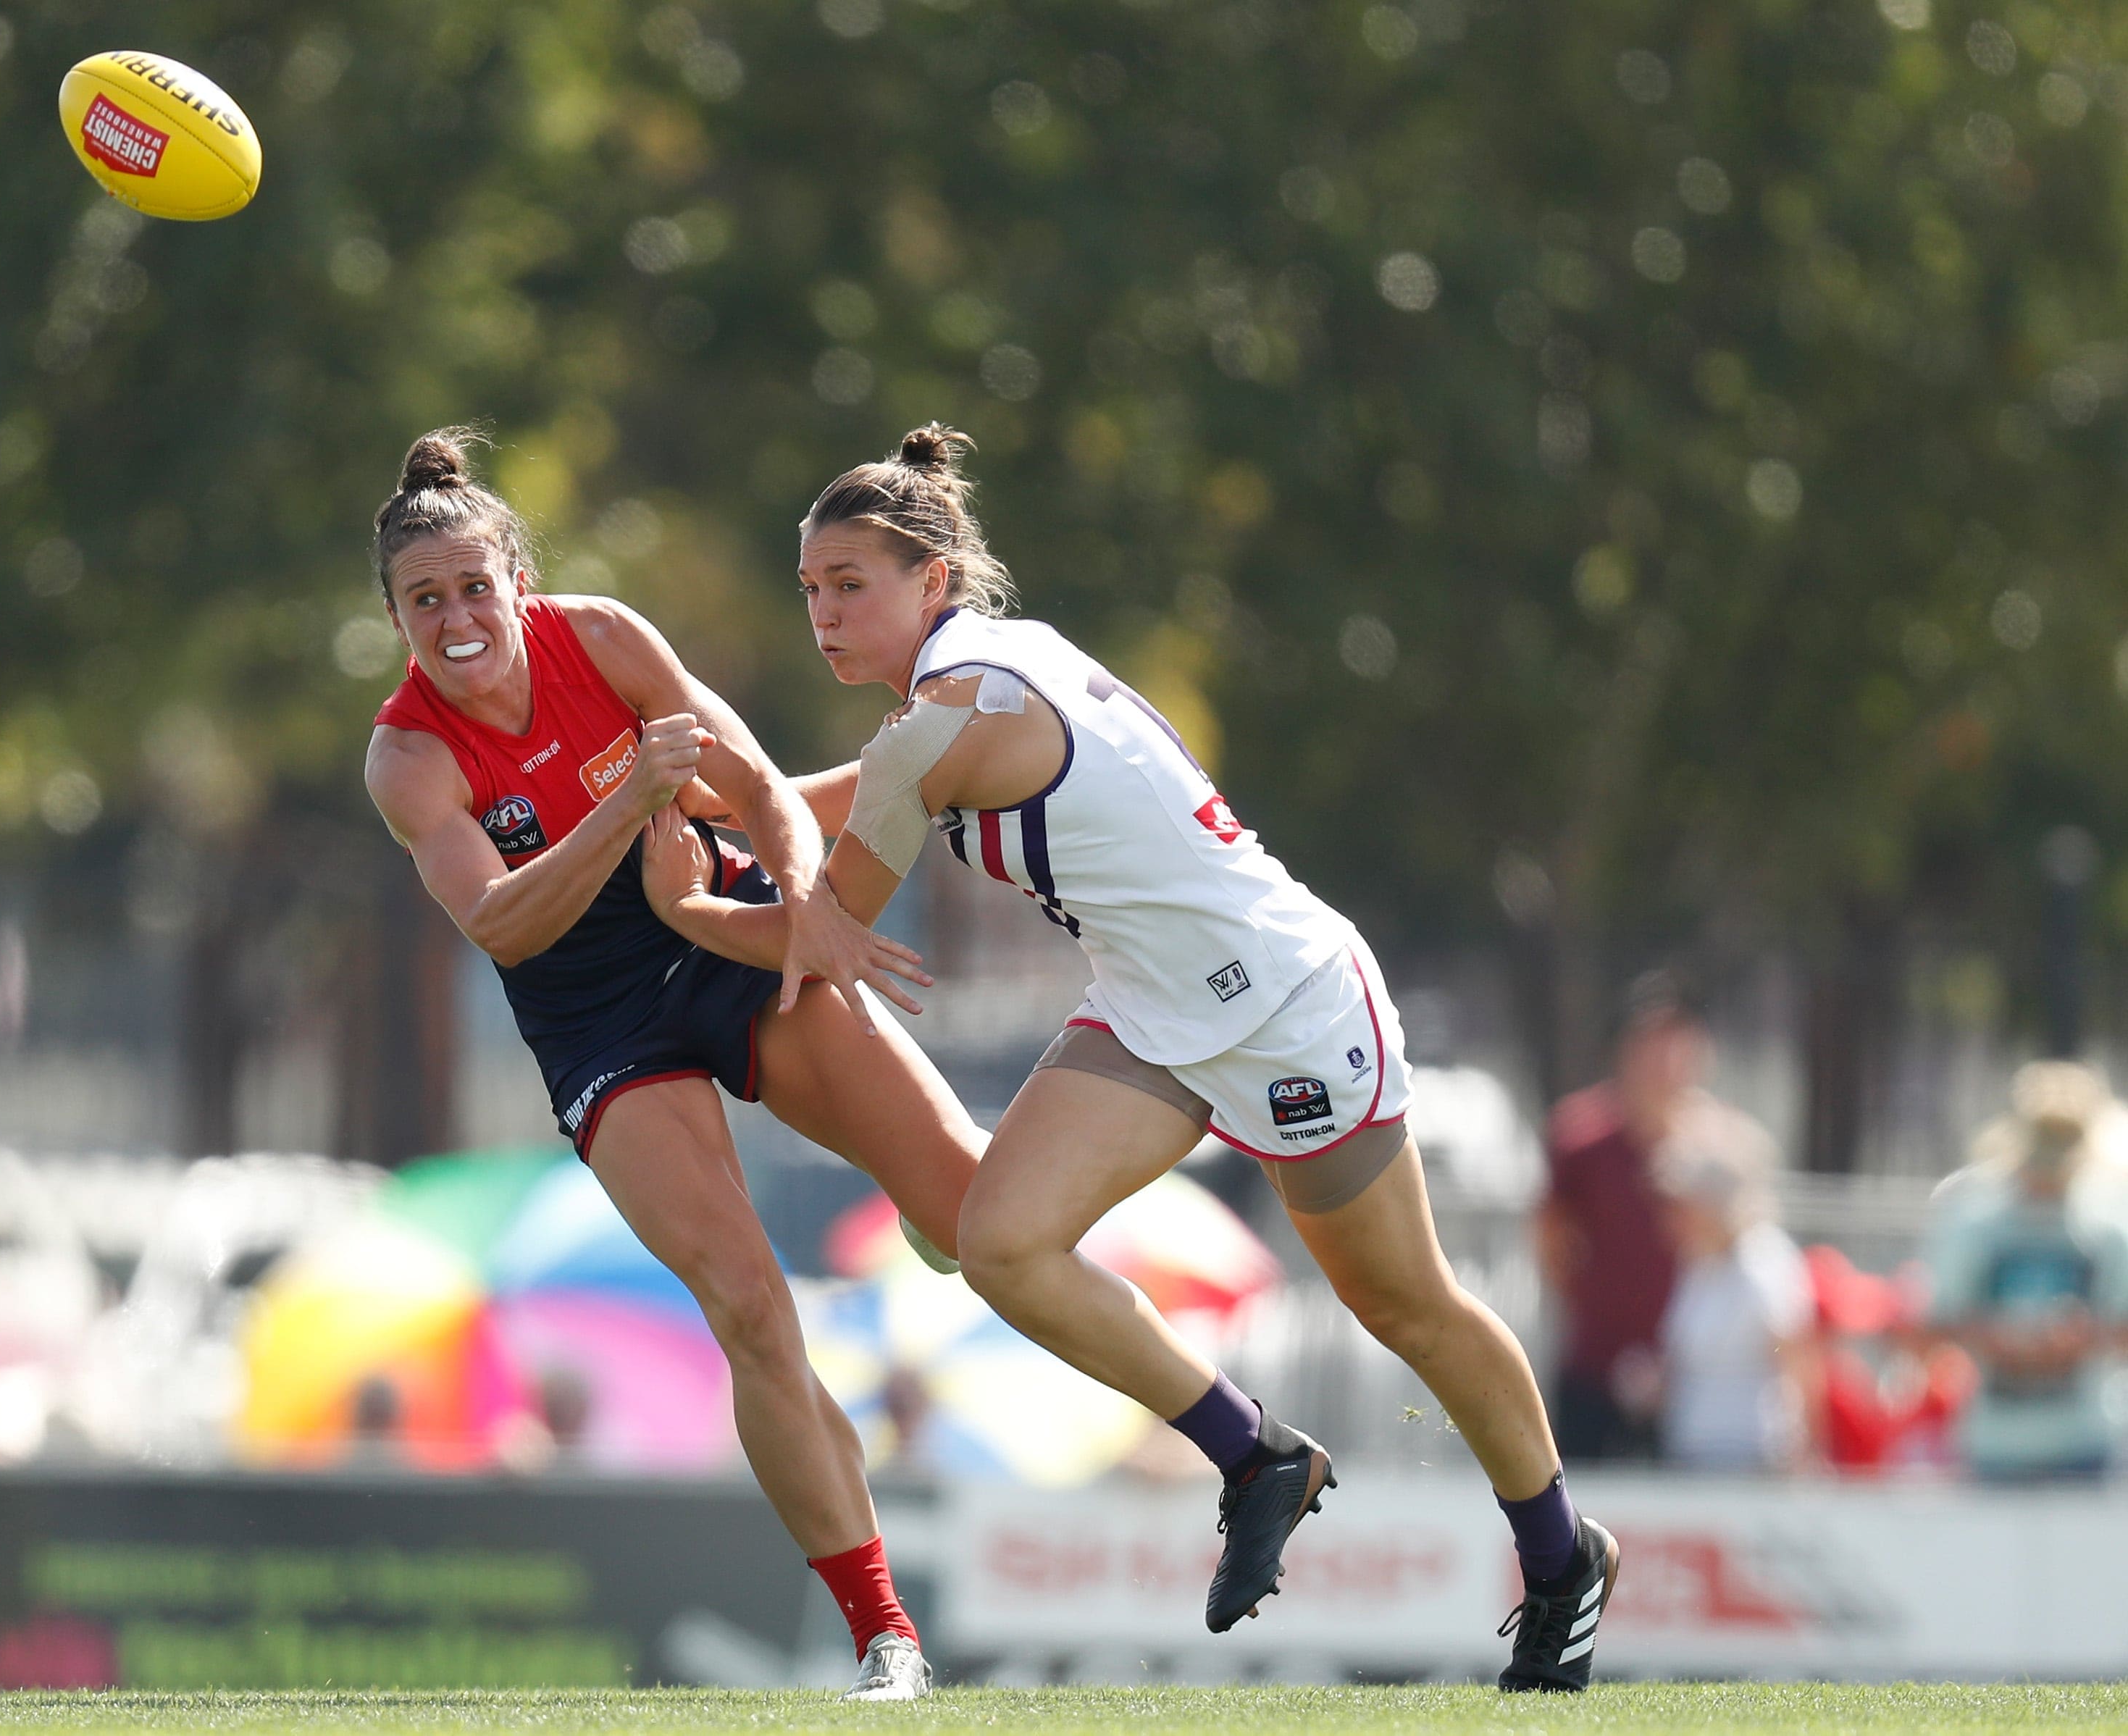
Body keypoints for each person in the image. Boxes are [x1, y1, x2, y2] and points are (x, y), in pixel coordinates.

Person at [650, 425, 1618, 1692]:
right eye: (810, 589)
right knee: (1001, 1242)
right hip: (1153, 1014)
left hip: (1286, 1008)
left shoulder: (944, 720)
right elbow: (873, 787)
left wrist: (681, 904)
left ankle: (1560, 1558)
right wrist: (740, 797)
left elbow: (822, 937)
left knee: (1404, 1306)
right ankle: (1256, 1455)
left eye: (851, 584)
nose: (824, 614)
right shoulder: (980, 674)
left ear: (932, 579)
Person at [359, 427, 986, 1700]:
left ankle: (1233, 1443)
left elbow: (751, 782)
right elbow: (503, 924)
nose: (458, 618)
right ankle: (886, 1636)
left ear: (519, 583)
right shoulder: (407, 756)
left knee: (975, 1209)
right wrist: (628, 802)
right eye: (426, 601)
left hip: (724, 940)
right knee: (751, 1307)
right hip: (601, 1031)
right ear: (396, 620)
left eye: (476, 587)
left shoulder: (602, 638)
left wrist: (803, 906)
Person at [1924, 1060, 2128, 1483]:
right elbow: (1934, 1324)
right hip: (1995, 1444)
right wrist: (1998, 1336)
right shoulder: (1978, 1221)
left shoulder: (2109, 1223)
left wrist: (2081, 1337)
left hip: (2086, 1444)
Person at [1534, 971, 1705, 1463]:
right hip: (1594, 1363)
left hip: (1684, 1372)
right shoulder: (1581, 1136)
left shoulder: (1714, 1140)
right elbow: (1550, 1238)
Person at [1651, 1104, 1823, 1474]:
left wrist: (1804, 1451)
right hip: (1690, 1454)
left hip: (1752, 1459)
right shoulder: (1697, 1269)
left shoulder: (1765, 1261)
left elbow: (1796, 1360)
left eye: (1684, 1209)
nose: (1672, 1222)